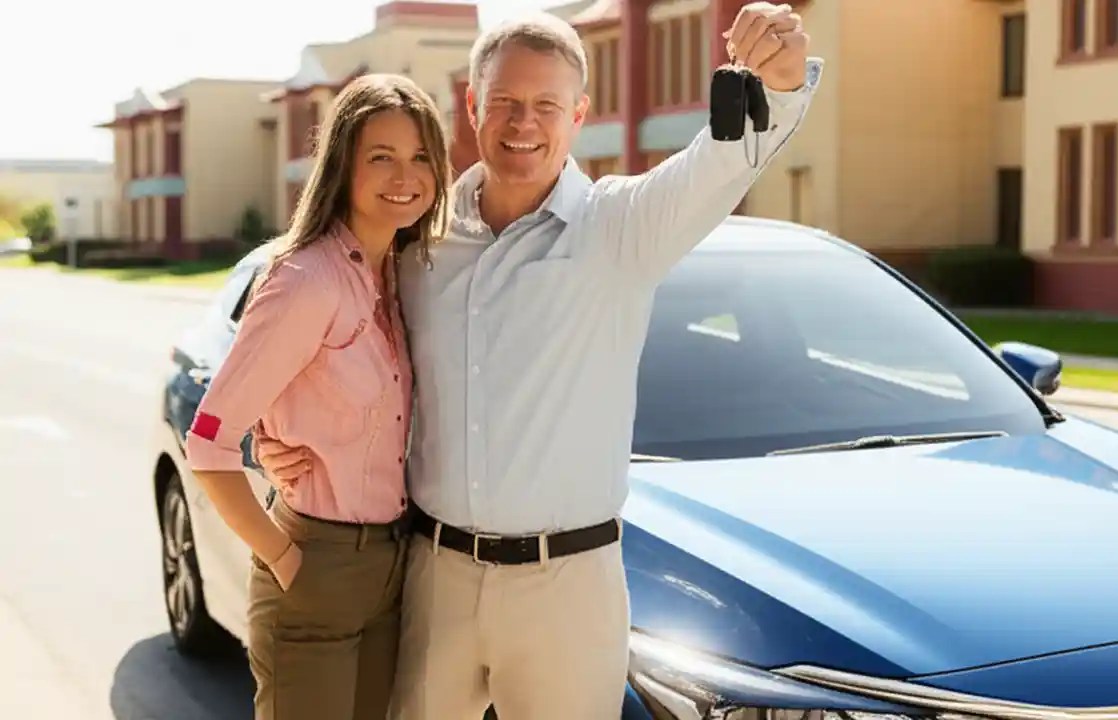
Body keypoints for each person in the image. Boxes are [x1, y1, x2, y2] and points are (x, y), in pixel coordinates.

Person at [258, 3, 821, 718]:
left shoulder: (623, 229)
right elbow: (326, 334)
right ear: (472, 106)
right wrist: (277, 433)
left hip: (569, 588)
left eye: (547, 105)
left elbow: (725, 156)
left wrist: (780, 76)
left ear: (580, 114)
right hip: (434, 577)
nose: (524, 123)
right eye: (506, 103)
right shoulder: (417, 239)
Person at [182, 73, 452, 720]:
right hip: (317, 564)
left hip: (392, 564)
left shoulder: (402, 273)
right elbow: (208, 443)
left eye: (420, 157)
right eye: (381, 156)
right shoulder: (307, 280)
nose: (404, 174)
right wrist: (285, 559)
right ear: (342, 165)